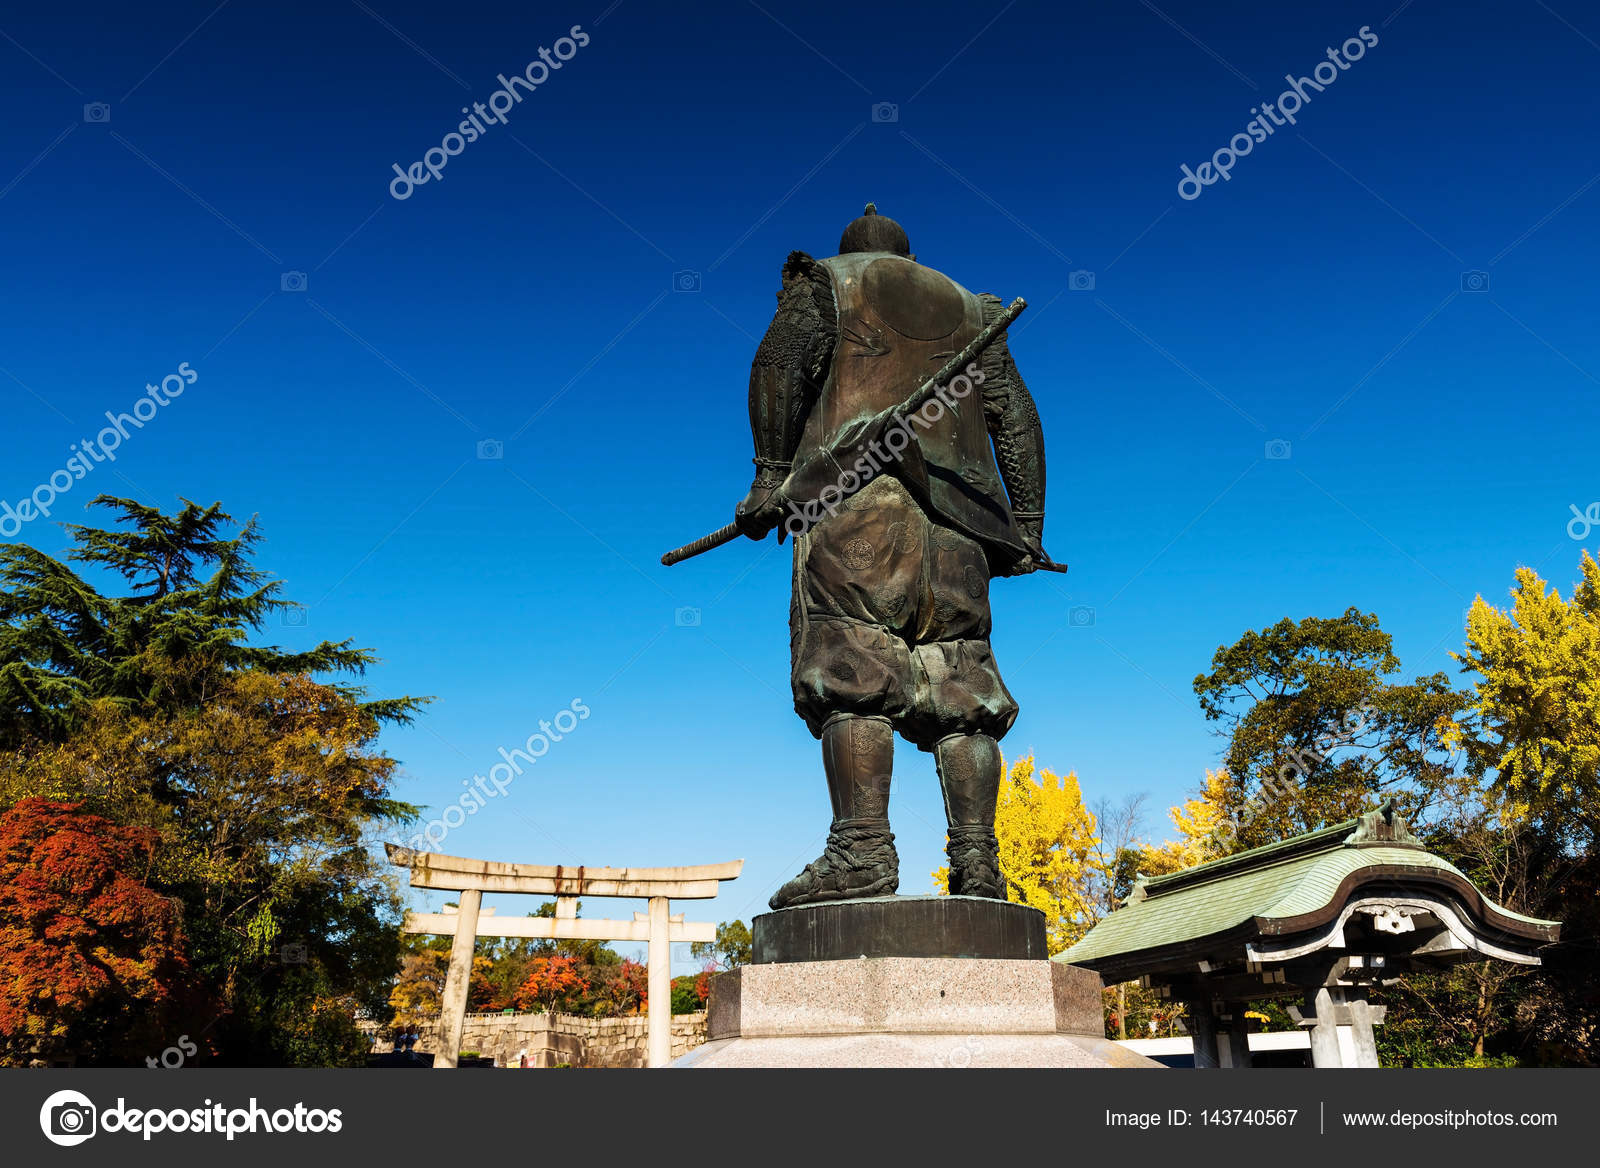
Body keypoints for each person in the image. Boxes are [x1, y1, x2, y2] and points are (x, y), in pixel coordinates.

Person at [732, 204, 1053, 909]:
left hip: (857, 505)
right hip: (961, 528)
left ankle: (862, 850)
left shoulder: (829, 280)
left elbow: (779, 366)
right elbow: (1016, 416)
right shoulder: (975, 310)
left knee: (853, 668)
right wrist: (1028, 525)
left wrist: (768, 478)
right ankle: (978, 861)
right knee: (963, 687)